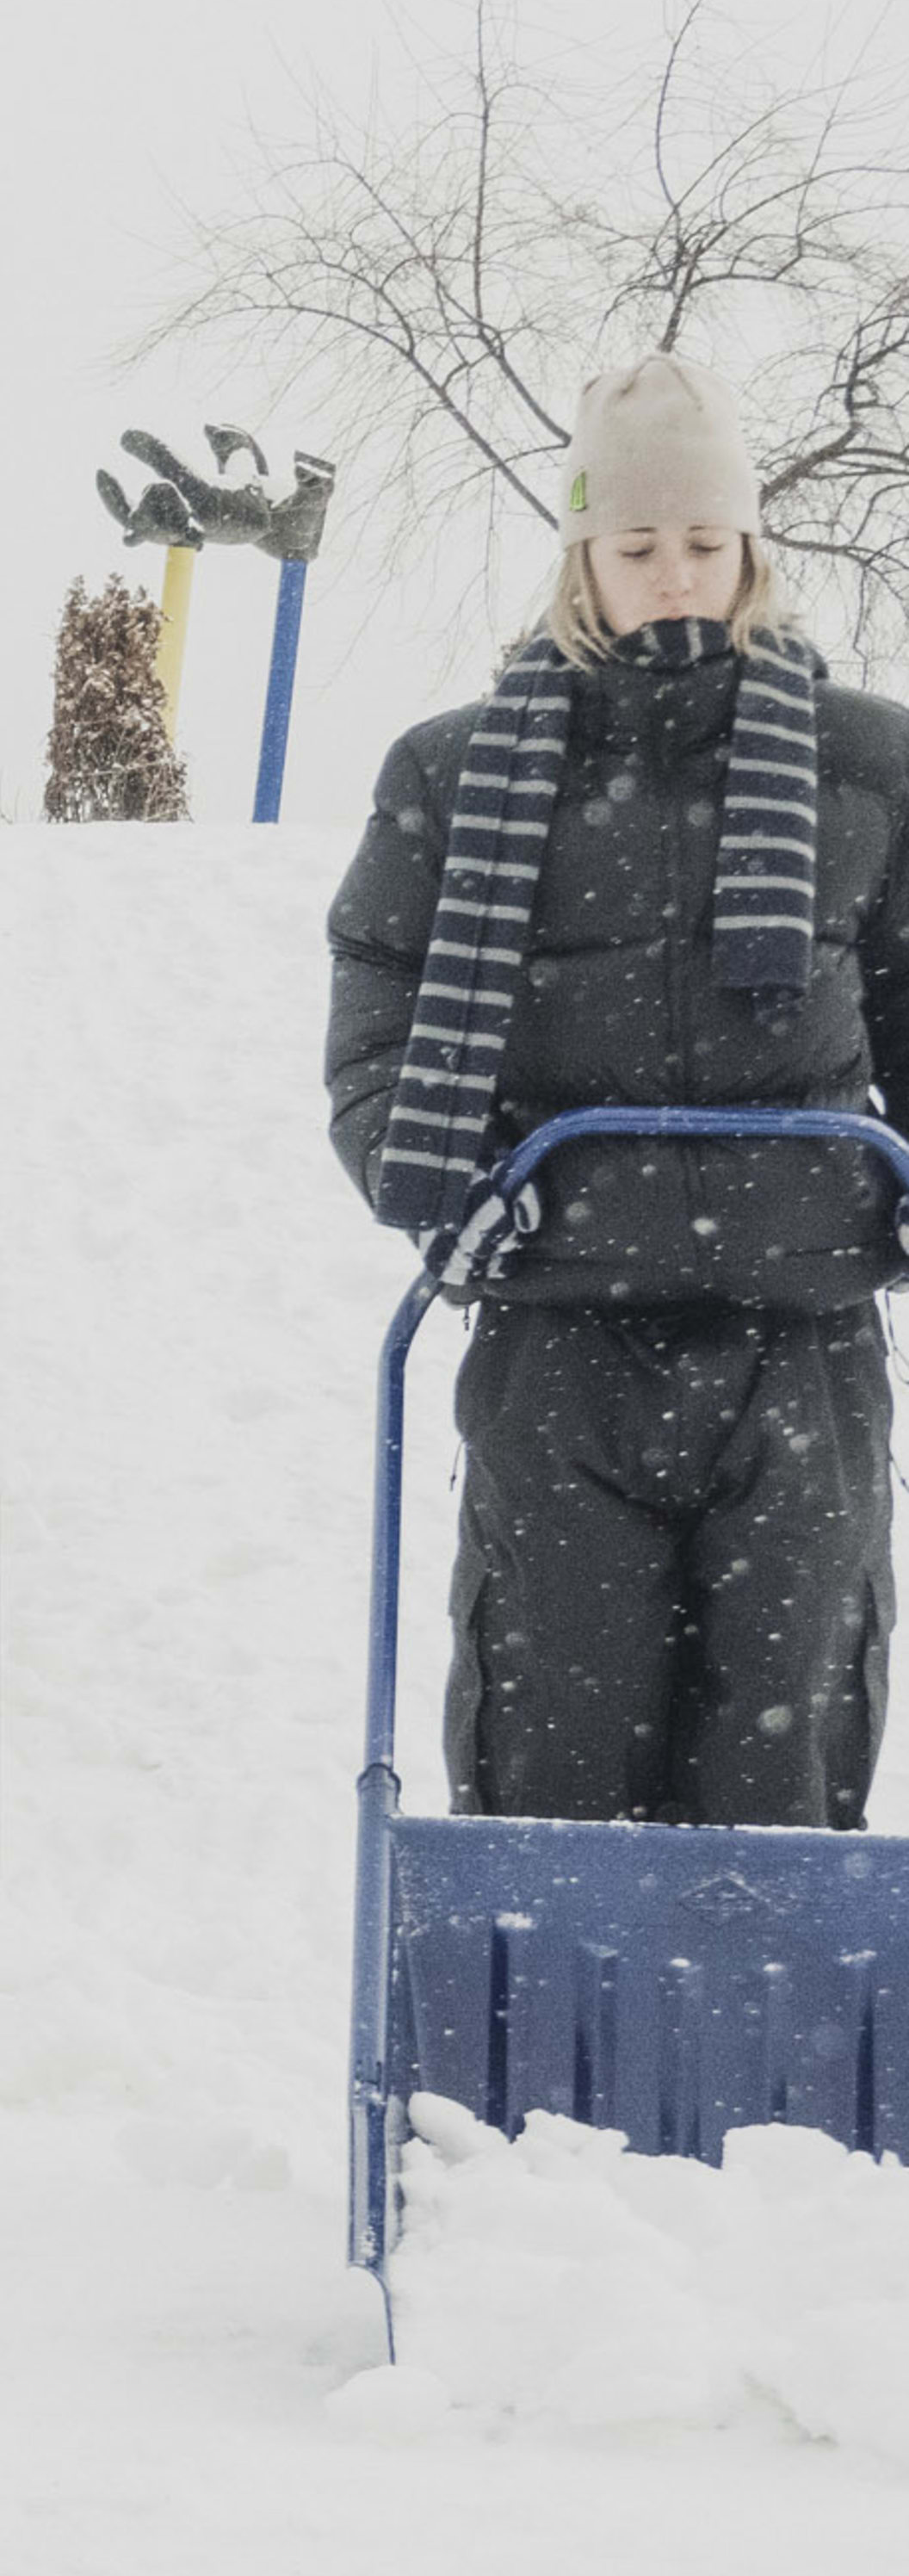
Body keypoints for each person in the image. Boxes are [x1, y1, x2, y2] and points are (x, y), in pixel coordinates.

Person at [327, 356, 909, 1830]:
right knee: (555, 1732)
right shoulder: (457, 774)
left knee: (785, 1739)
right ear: (583, 554)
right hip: (562, 1325)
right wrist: (434, 1174)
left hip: (797, 1327)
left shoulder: (870, 764)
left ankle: (765, 1977)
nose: (675, 578)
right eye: (638, 545)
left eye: (705, 543)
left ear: (751, 547)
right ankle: (539, 1981)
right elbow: (383, 1002)